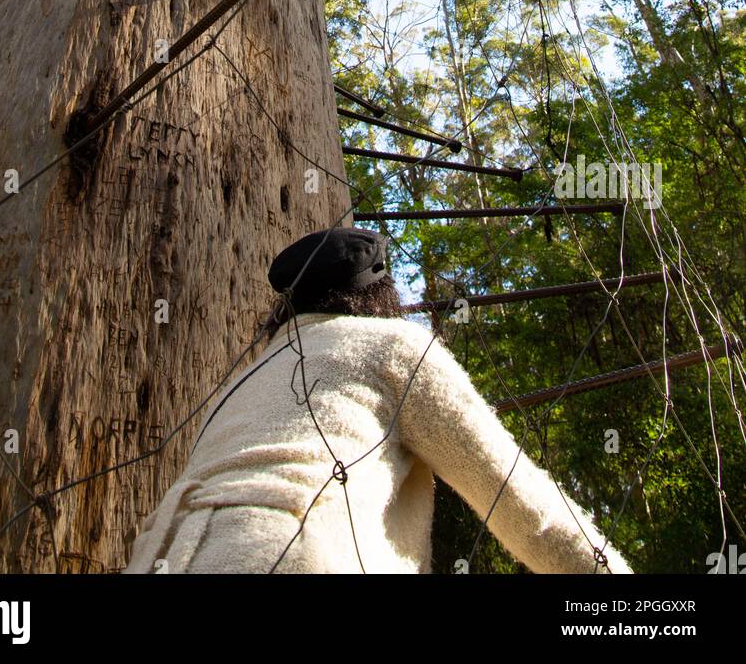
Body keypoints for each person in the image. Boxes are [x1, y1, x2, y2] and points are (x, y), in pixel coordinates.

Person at [123, 226, 632, 574]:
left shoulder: (241, 380)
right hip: (292, 553)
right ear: (380, 295)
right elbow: (521, 505)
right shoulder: (393, 347)